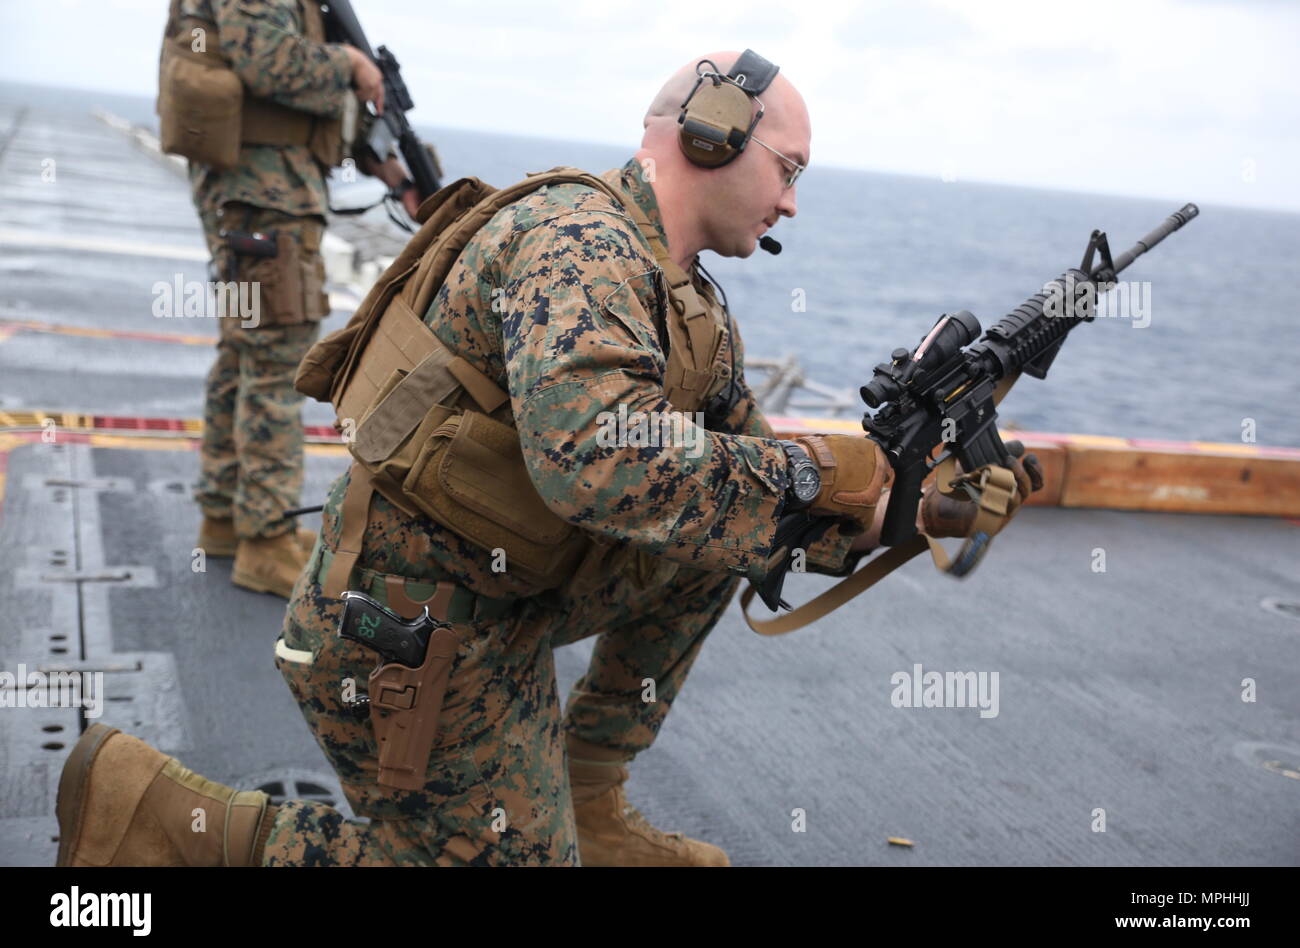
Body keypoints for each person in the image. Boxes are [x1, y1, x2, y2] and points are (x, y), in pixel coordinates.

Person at [56, 50, 1040, 867]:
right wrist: (817, 470)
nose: (791, 203)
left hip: (501, 603)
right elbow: (602, 463)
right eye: (788, 169)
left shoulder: (692, 302)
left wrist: (921, 508)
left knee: (722, 517)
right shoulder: (580, 244)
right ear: (712, 131)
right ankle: (158, 817)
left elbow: (754, 498)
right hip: (399, 630)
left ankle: (587, 803)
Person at [171, 0, 420, 598]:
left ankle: (227, 520)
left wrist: (392, 171)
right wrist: (349, 64)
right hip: (266, 196)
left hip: (264, 194)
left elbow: (292, 93)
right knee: (277, 365)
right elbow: (264, 59)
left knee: (244, 356)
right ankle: (265, 542)